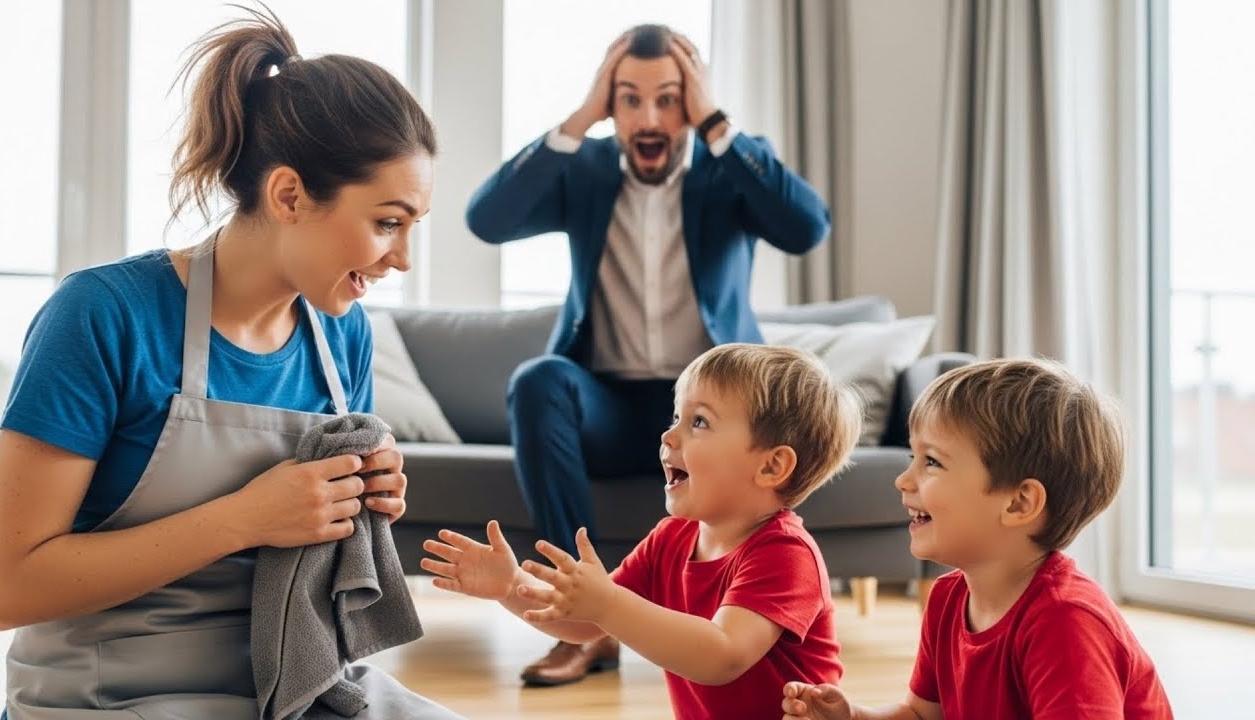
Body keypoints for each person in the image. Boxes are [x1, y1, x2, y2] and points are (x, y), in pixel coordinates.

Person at [0, 8, 460, 719]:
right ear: (289, 194)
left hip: (293, 686)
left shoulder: (343, 336)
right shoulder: (105, 316)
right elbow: (3, 589)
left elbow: (314, 568)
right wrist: (244, 518)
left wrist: (360, 505)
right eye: (387, 222)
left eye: (413, 226)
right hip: (107, 697)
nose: (404, 259)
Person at [464, 23, 833, 685]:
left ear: (691, 102)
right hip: (607, 407)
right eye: (630, 99)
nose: (650, 117)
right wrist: (580, 116)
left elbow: (807, 228)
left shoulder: (730, 169)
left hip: (711, 414)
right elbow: (486, 219)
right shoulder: (587, 169)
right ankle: (584, 626)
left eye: (668, 98)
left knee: (695, 408)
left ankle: (608, 617)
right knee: (539, 379)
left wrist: (717, 121)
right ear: (612, 105)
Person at [423, 343, 862, 720]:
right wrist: (512, 585)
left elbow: (722, 655)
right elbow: (586, 624)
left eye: (700, 422)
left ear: (771, 466)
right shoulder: (672, 537)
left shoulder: (786, 554)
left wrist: (609, 604)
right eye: (676, 416)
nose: (668, 437)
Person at [780, 359, 1174, 720]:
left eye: (931, 461)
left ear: (1019, 503)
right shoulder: (948, 597)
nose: (904, 480)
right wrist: (856, 717)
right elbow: (923, 714)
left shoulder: (1066, 622)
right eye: (911, 459)